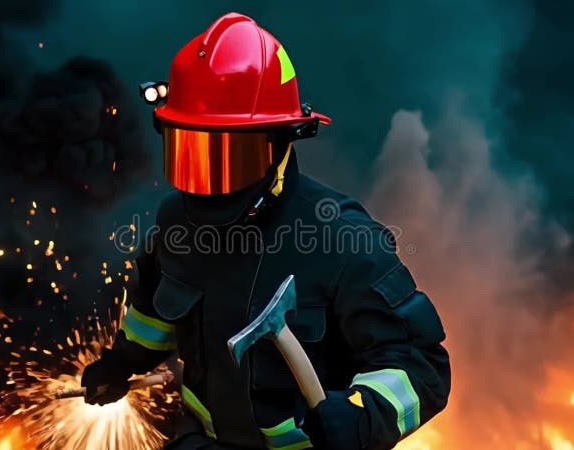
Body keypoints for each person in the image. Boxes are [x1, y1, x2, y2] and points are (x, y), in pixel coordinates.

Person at [82, 12, 450, 450]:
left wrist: (361, 415)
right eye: (193, 153)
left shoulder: (342, 241)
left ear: (280, 144)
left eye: (231, 158)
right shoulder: (175, 224)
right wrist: (124, 361)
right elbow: (153, 312)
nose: (210, 185)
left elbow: (421, 365)